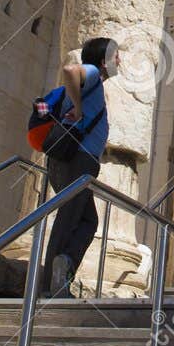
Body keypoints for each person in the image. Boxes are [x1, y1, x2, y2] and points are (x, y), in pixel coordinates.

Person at [43, 37, 119, 298]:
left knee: (87, 220)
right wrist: (77, 107)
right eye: (115, 55)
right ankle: (50, 285)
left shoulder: (94, 84)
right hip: (78, 158)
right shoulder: (93, 73)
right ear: (102, 60)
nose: (118, 60)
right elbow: (70, 70)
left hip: (72, 158)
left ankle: (62, 269)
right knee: (71, 218)